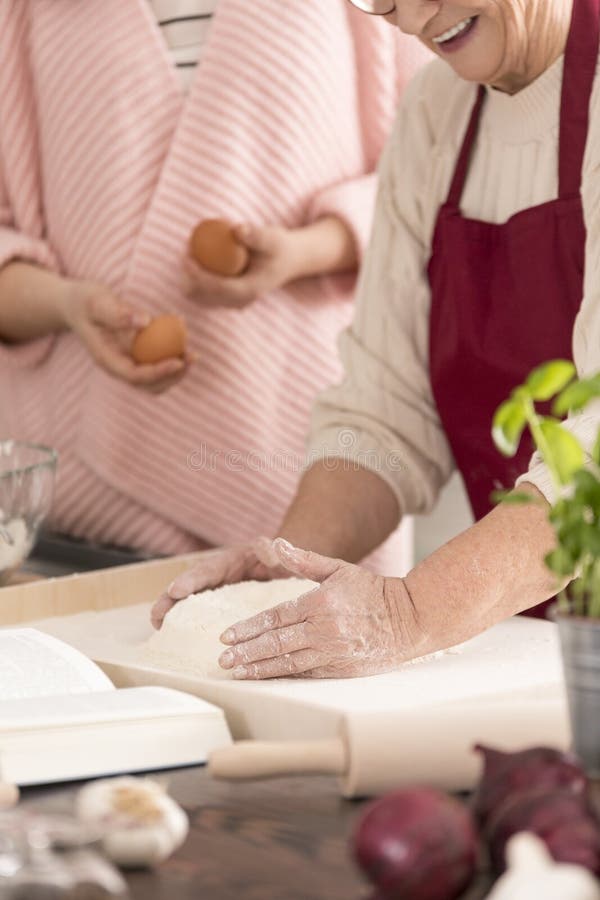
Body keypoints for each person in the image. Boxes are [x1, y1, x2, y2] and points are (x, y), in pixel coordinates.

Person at [153, 0, 600, 679]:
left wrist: (409, 614)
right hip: (538, 650)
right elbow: (386, 411)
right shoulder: (435, 112)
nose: (407, 17)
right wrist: (287, 567)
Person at [0, 1, 427, 567]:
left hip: (315, 467)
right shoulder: (25, 12)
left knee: (314, 605)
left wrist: (304, 250)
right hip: (82, 500)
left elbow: (437, 170)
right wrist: (66, 303)